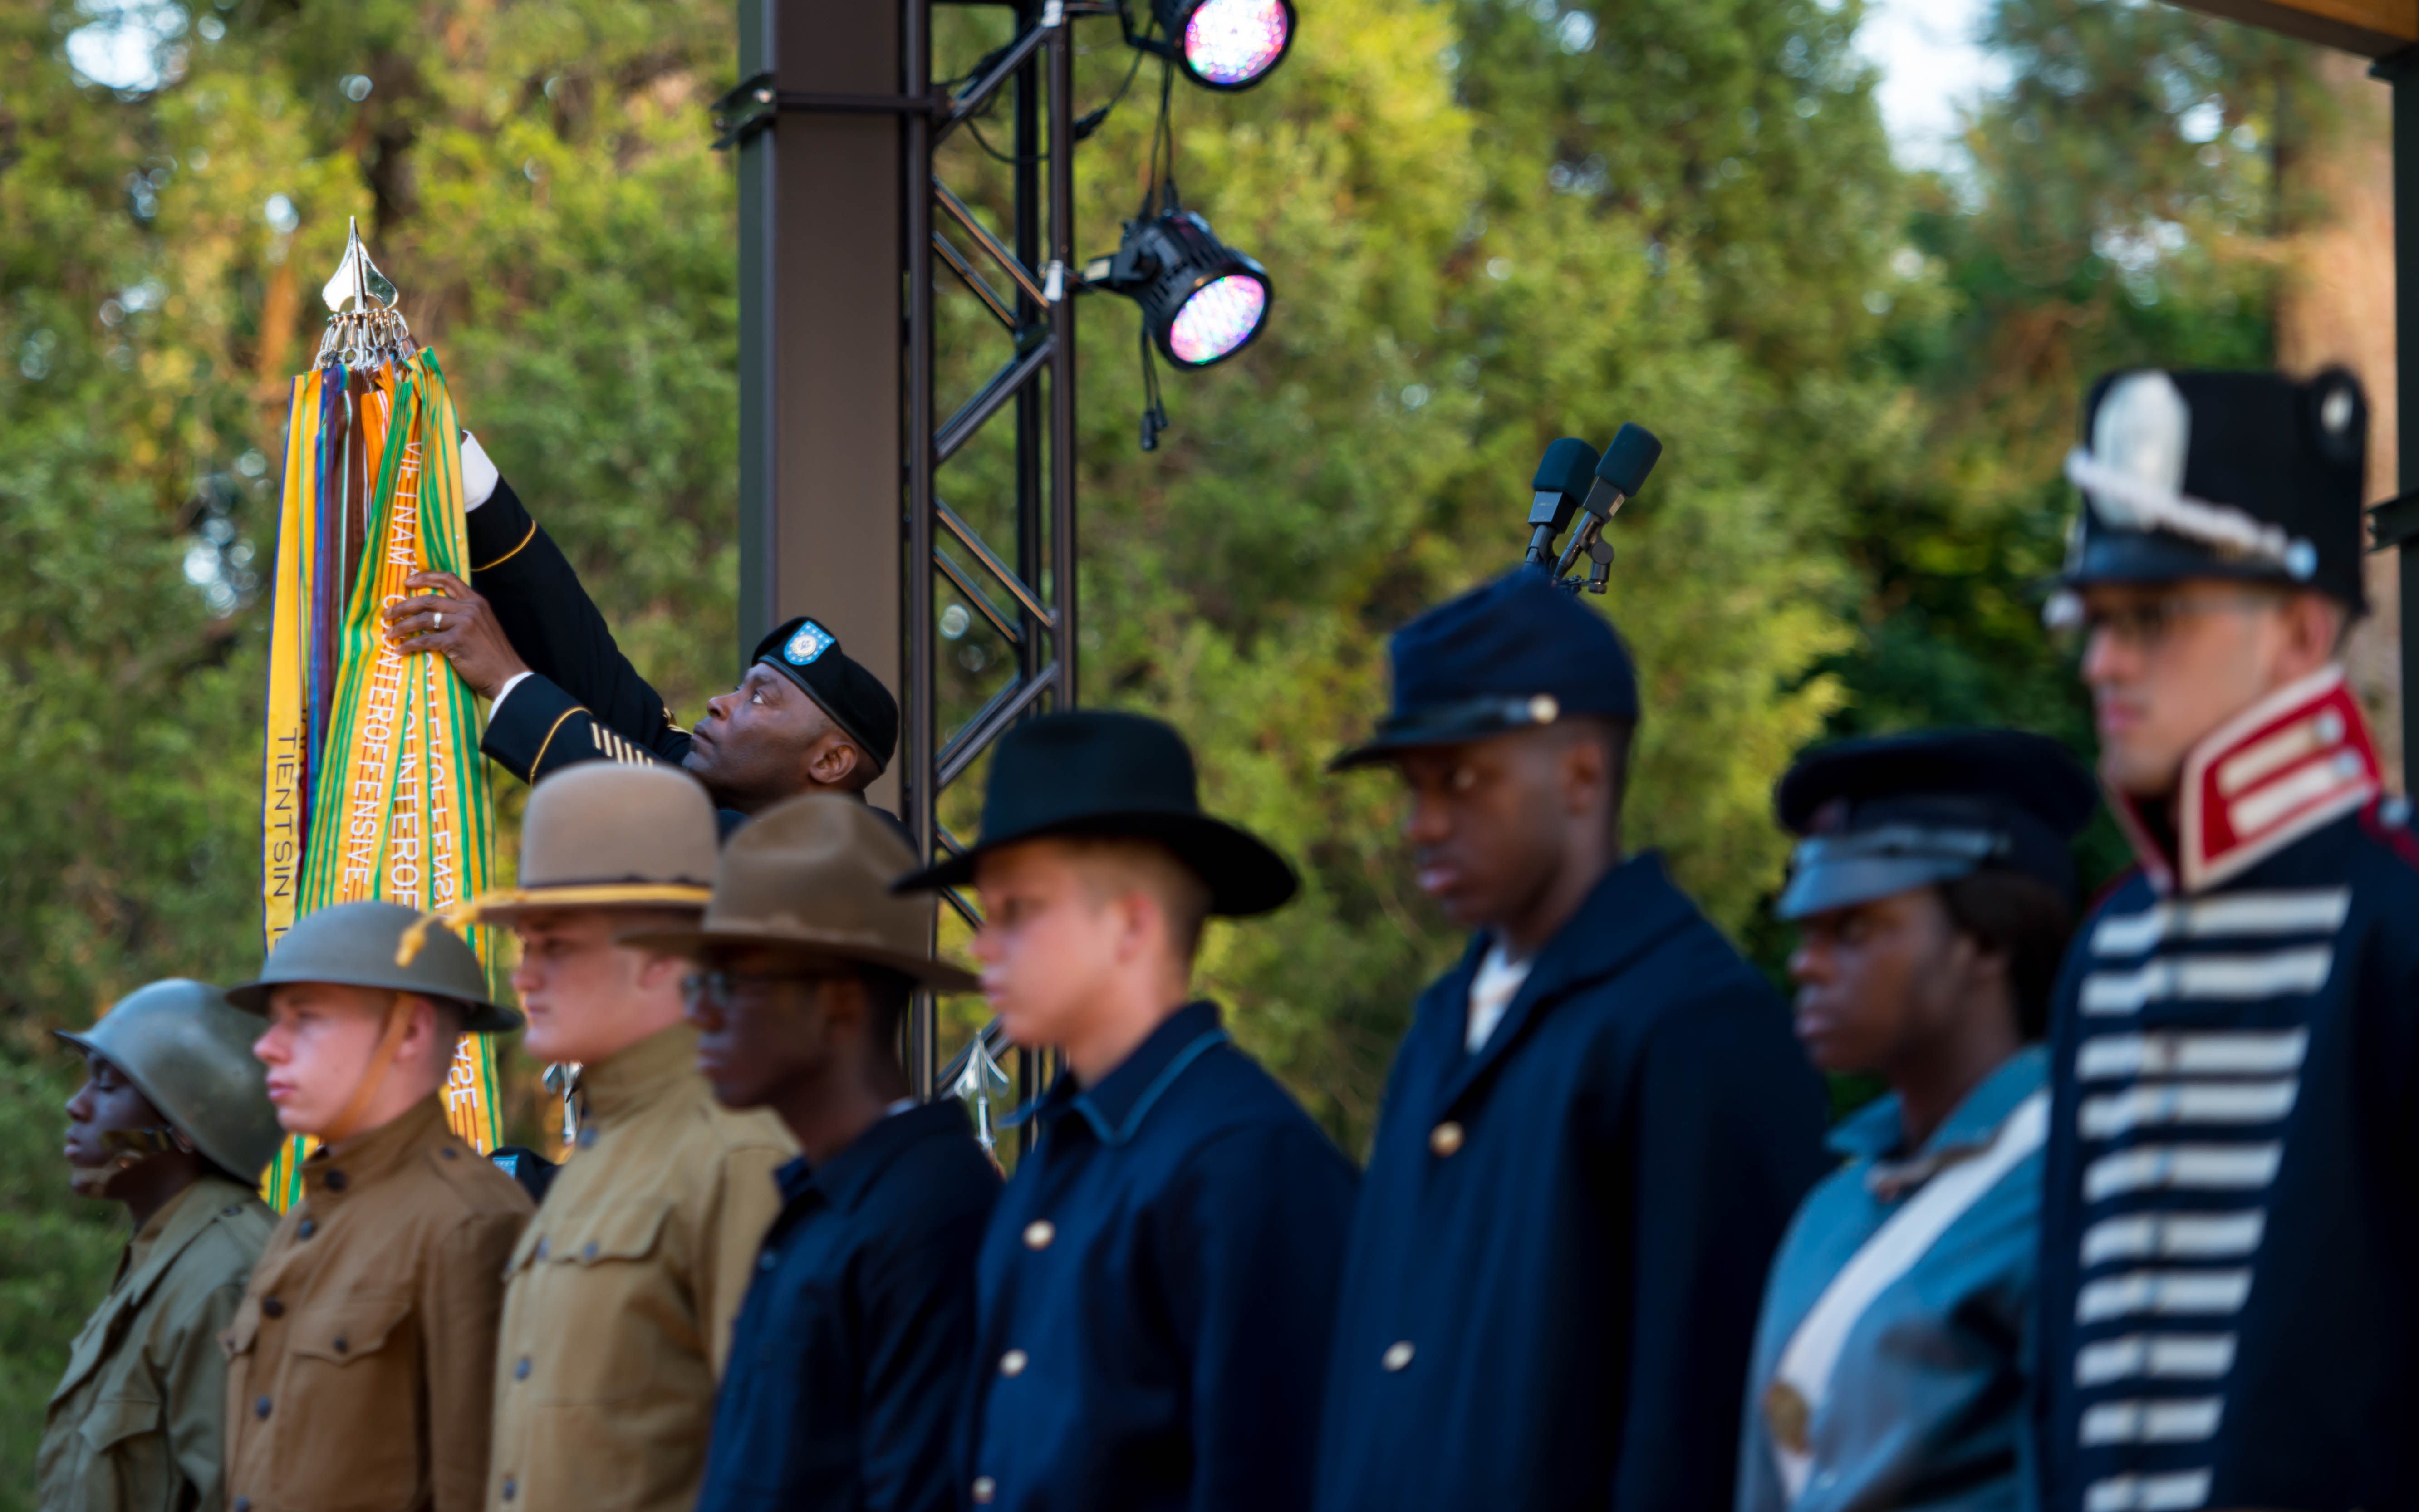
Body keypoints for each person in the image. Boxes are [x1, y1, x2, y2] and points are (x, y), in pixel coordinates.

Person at [1315, 568, 1831, 1512]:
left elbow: (1696, 1424)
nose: (1420, 823)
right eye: (1413, 785)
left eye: (1462, 779)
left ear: (1582, 774)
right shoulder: (1442, 1023)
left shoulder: (1693, 1022)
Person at [2031, 367, 2419, 1512]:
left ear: (2300, 631)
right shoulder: (2108, 954)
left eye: (2150, 619)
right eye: (2096, 623)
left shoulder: (2394, 925)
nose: (2102, 664)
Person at [889, 709, 1357, 1512]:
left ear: (1133, 923)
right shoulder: (1062, 1148)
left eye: (1017, 910)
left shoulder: (1246, 1162)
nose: (979, 946)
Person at [1735, 730, 2097, 1512]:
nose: (1806, 962)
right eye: (1807, 932)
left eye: (1855, 930)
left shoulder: (2072, 1182)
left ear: (1986, 941)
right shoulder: (1832, 1205)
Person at [432, 763, 795, 1512]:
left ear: (663, 954)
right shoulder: (602, 1146)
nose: (523, 975)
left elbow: (772, 1465)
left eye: (555, 945)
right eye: (524, 943)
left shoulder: (738, 1151)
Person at [624, 795, 999, 1512]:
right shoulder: (818, 1195)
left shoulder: (930, 1217)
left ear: (838, 1001)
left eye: (730, 981)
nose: (698, 1011)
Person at [376, 437, 898, 835]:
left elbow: (676, 820)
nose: (720, 702)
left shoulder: (864, 855)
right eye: (742, 686)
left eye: (759, 697)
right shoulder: (719, 791)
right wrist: (446, 446)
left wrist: (508, 679)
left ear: (831, 762)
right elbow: (584, 659)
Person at [220, 900, 533, 1512]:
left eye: (304, 1019)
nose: (269, 1047)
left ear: (411, 1031)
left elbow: (474, 1487)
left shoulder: (467, 1223)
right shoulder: (308, 1217)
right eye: (274, 1020)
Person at [39, 979, 284, 1512]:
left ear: (187, 1127)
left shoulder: (227, 1275)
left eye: (107, 1085)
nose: (76, 1105)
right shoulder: (167, 1253)